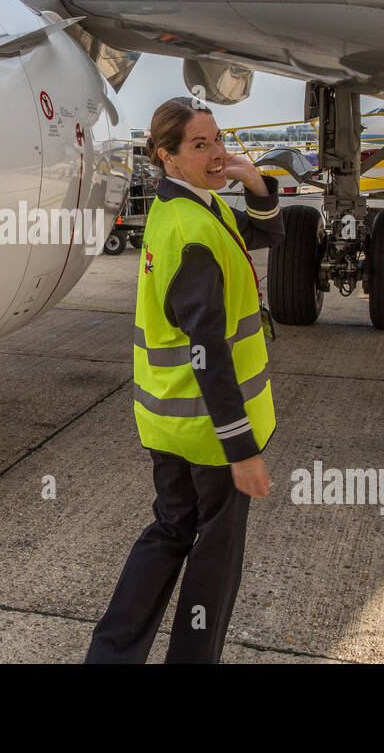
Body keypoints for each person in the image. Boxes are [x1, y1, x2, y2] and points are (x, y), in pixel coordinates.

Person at [85, 96, 285, 664]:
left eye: (218, 139)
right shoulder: (192, 232)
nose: (218, 153)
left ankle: (111, 655)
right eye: (201, 145)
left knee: (171, 532)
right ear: (168, 156)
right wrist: (241, 450)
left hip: (171, 421)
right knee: (215, 562)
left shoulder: (188, 210)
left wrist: (255, 184)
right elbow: (210, 355)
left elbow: (267, 239)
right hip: (210, 433)